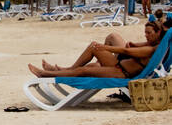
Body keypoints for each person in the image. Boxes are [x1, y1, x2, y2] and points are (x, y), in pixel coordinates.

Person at [28, 17, 164, 80]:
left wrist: (104, 47)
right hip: (118, 65)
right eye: (145, 32)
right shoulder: (152, 45)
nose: (146, 36)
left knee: (84, 70)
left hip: (122, 73)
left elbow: (126, 51)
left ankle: (45, 74)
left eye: (149, 33)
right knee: (93, 46)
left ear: (158, 33)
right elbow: (130, 47)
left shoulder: (152, 50)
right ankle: (68, 69)